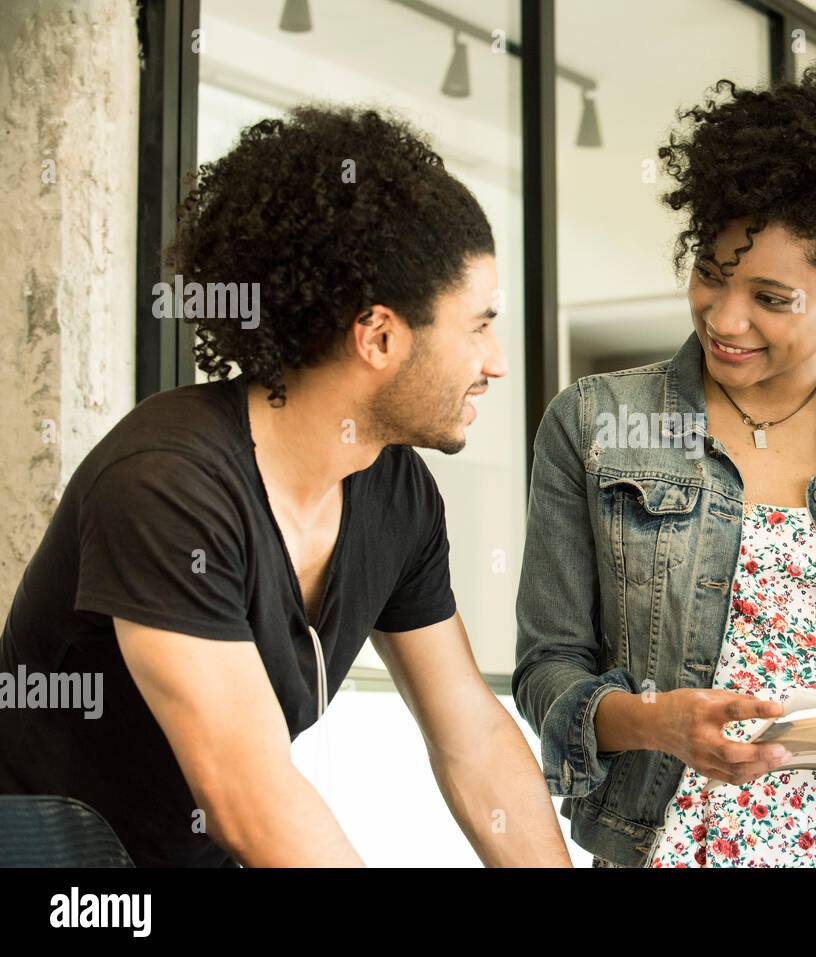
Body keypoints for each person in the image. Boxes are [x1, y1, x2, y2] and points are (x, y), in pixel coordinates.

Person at [0, 106, 571, 867]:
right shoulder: (168, 485)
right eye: (477, 325)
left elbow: (471, 736)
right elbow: (252, 797)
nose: (496, 361)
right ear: (378, 336)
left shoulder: (394, 491)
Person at [513, 62, 816, 867]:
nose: (727, 318)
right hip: (675, 846)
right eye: (712, 275)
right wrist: (659, 721)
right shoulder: (596, 424)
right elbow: (547, 670)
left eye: (773, 297)